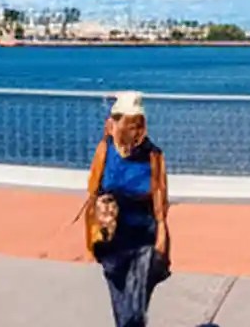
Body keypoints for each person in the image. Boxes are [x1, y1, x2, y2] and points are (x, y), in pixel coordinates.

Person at [85, 91, 170, 327]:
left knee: (135, 305)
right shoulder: (105, 149)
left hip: (143, 236)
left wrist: (162, 236)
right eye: (129, 121)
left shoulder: (153, 155)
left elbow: (160, 199)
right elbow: (93, 187)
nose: (135, 127)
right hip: (112, 238)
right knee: (121, 299)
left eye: (138, 122)